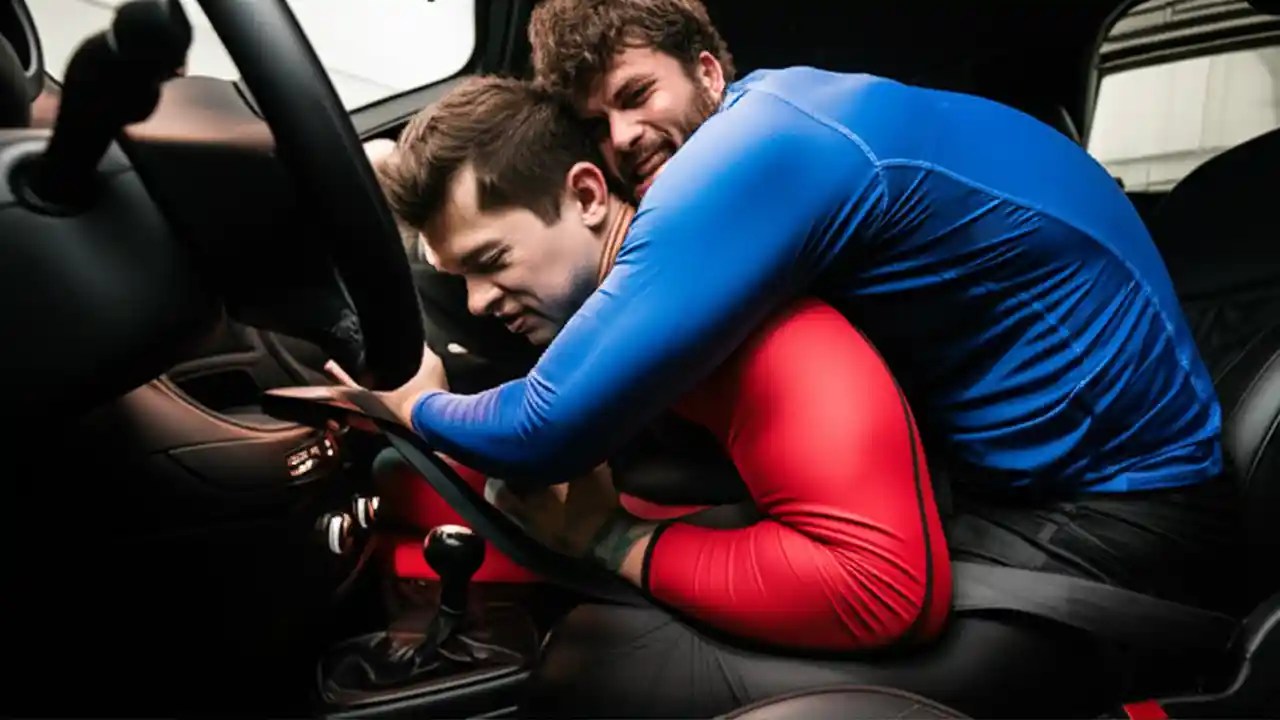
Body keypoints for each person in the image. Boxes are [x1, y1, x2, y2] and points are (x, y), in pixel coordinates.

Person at [364, 0, 1241, 616]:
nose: (624, 138)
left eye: (637, 96)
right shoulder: (789, 119)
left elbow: (544, 426)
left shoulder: (760, 147)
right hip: (1064, 480)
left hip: (1125, 505)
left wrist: (416, 405)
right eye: (597, 123)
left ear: (709, 74)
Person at [367, 75, 951, 655]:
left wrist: (607, 539)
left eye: (492, 260)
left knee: (586, 661)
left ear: (588, 197)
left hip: (891, 602)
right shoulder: (618, 322)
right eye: (461, 278)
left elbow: (881, 591)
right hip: (789, 529)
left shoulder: (726, 307)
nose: (476, 302)